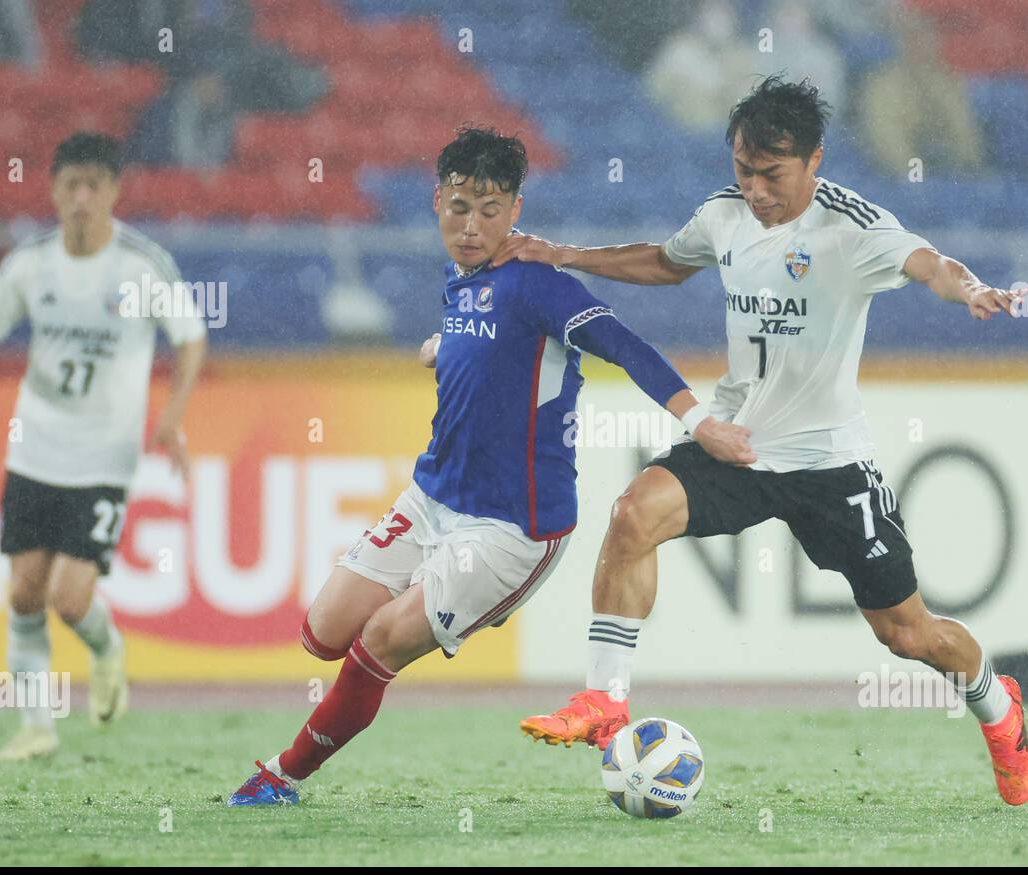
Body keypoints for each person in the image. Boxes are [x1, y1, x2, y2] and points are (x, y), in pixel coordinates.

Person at [502, 76, 1028, 806]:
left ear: (813, 160)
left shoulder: (852, 224)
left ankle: (997, 707)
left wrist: (972, 288)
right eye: (742, 171)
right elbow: (665, 262)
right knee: (634, 512)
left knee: (909, 637)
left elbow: (930, 264)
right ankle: (605, 700)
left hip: (829, 465)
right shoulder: (724, 215)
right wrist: (563, 254)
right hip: (739, 446)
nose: (754, 190)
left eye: (771, 174)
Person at [227, 127, 751, 806]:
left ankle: (281, 777)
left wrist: (698, 420)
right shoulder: (460, 281)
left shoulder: (540, 285)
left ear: (516, 210)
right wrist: (439, 348)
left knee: (380, 642)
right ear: (436, 204)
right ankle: (457, 601)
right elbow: (483, 347)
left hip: (511, 527)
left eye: (490, 210)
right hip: (432, 498)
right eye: (458, 208)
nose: (472, 227)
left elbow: (625, 346)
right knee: (322, 634)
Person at [0, 132, 208, 761]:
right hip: (35, 449)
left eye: (92, 186)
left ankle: (106, 650)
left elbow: (189, 338)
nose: (80, 198)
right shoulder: (30, 263)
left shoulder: (139, 264)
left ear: (112, 192)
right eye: (69, 185)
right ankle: (36, 727)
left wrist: (172, 418)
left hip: (104, 455)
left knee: (68, 598)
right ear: (52, 190)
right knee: (22, 592)